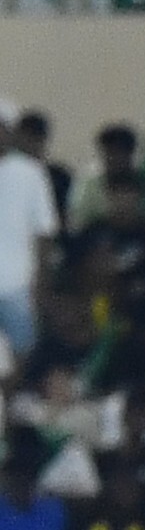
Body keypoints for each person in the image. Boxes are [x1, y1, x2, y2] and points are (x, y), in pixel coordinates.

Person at [0, 112, 57, 364]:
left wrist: (41, 285)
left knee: (22, 353)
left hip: (19, 287)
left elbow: (45, 233)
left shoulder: (31, 173)